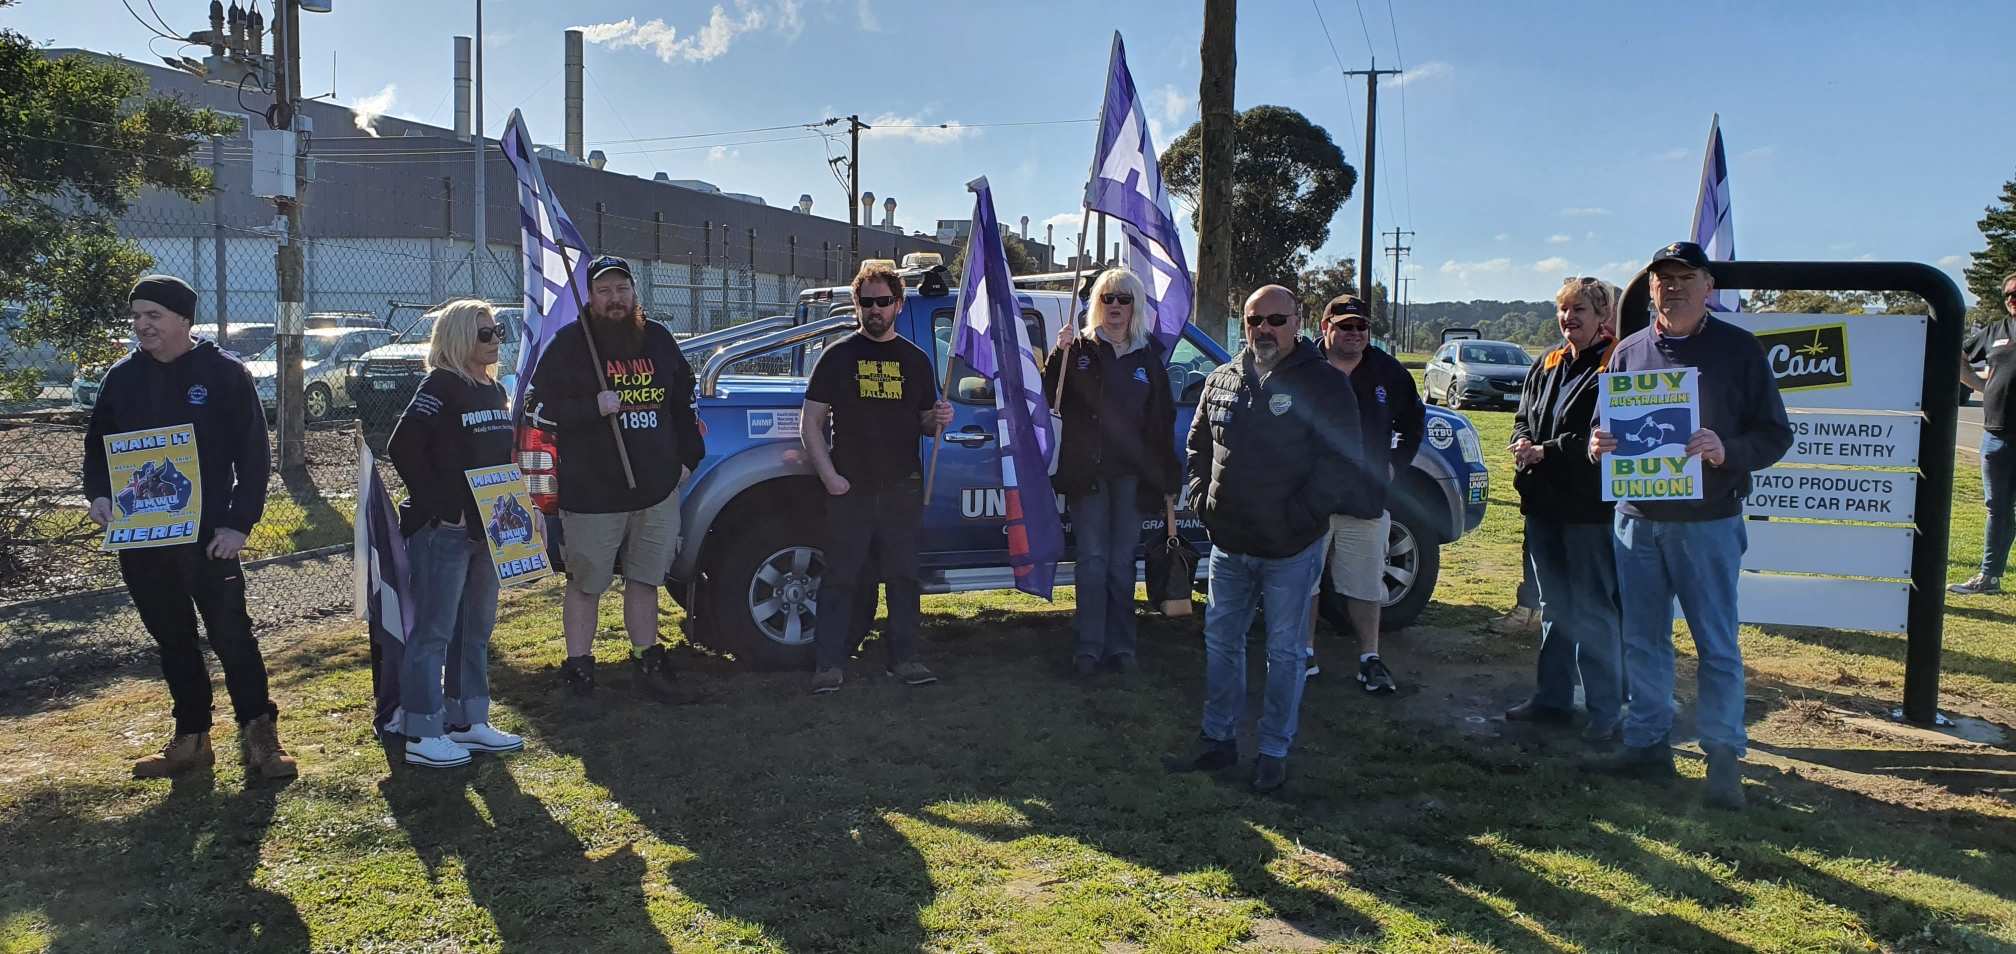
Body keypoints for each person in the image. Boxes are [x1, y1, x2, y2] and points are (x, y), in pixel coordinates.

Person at [1587, 242, 1791, 811]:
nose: (1671, 287)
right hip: (1637, 521)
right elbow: (1607, 428)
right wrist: (1595, 443)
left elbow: (1775, 434)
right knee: (1643, 640)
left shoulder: (1739, 350)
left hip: (1707, 523)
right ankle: (1648, 743)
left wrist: (1727, 449)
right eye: (1662, 278)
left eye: (1684, 277)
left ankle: (1723, 755)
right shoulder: (1627, 351)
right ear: (1650, 288)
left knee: (1716, 643)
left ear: (1708, 286)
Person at [82, 274, 296, 780]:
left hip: (209, 542)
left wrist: (238, 524)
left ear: (183, 319)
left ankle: (261, 737)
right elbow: (98, 446)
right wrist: (99, 495)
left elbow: (253, 455)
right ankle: (191, 738)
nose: (142, 325)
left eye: (153, 315)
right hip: (144, 541)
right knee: (173, 639)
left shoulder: (223, 373)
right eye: (136, 316)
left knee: (232, 637)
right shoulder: (122, 378)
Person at [1165, 285, 1363, 793]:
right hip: (1229, 544)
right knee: (1222, 643)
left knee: (1286, 651)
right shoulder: (1223, 378)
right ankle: (1218, 740)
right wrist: (1202, 499)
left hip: (1291, 549)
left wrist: (1300, 517)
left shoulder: (1323, 384)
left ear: (1297, 322)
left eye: (1277, 319)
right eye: (1255, 320)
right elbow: (1198, 445)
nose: (1265, 329)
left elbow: (1340, 463)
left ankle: (1274, 749)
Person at [528, 256, 705, 700]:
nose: (614, 299)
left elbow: (683, 403)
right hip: (592, 494)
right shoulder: (571, 345)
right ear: (590, 297)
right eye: (604, 291)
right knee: (586, 583)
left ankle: (647, 660)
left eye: (621, 289)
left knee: (647, 580)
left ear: (634, 293)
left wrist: (688, 459)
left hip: (655, 490)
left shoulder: (659, 340)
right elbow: (538, 409)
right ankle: (579, 668)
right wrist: (592, 407)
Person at [803, 261, 955, 694]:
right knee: (841, 577)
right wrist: (830, 476)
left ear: (898, 305)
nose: (874, 309)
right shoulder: (836, 357)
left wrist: (939, 416)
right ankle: (828, 664)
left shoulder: (917, 360)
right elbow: (810, 422)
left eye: (883, 302)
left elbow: (926, 420)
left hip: (902, 487)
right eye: (866, 302)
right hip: (850, 488)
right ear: (856, 306)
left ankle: (905, 659)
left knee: (904, 577)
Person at [386, 299, 526, 767]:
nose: (495, 341)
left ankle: (468, 720)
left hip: (490, 529)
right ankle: (423, 730)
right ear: (460, 337)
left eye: (497, 332)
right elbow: (402, 446)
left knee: (476, 628)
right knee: (434, 631)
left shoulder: (492, 390)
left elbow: (499, 460)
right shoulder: (440, 385)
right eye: (485, 333)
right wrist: (443, 509)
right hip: (443, 531)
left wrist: (522, 513)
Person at [1042, 268, 1181, 677]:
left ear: (1135, 306)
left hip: (1132, 480)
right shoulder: (1079, 349)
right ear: (1096, 303)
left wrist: (1167, 477)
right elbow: (1052, 397)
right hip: (1089, 475)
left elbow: (1162, 421)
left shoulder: (1148, 357)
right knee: (1092, 561)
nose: (1116, 306)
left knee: (1122, 565)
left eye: (1124, 299)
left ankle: (1122, 648)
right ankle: (1088, 648)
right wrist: (1057, 355)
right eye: (1108, 298)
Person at [1506, 277, 1625, 743]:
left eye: (1579, 309)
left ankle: (1604, 712)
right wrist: (1520, 440)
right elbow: (1523, 414)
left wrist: (1547, 451)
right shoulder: (1547, 362)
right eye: (1563, 309)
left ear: (1603, 316)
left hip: (1589, 508)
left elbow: (1607, 435)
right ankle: (1551, 698)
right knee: (1554, 605)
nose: (1568, 318)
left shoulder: (1616, 363)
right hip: (1543, 504)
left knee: (1594, 609)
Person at [1307, 294, 1423, 694]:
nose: (1354, 334)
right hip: (1310, 499)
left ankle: (1369, 658)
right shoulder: (1304, 367)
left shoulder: (1387, 372)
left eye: (1361, 327)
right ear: (1326, 328)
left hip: (1365, 499)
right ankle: (1303, 653)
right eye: (1345, 326)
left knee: (1365, 584)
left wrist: (1394, 463)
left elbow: (1413, 423)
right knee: (1306, 581)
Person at [1952, 269, 2016, 595]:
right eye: (2009, 295)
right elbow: (1957, 356)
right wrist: (1980, 385)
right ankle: (1989, 578)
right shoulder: (1995, 331)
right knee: (1997, 508)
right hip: (1996, 435)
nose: (2013, 299)